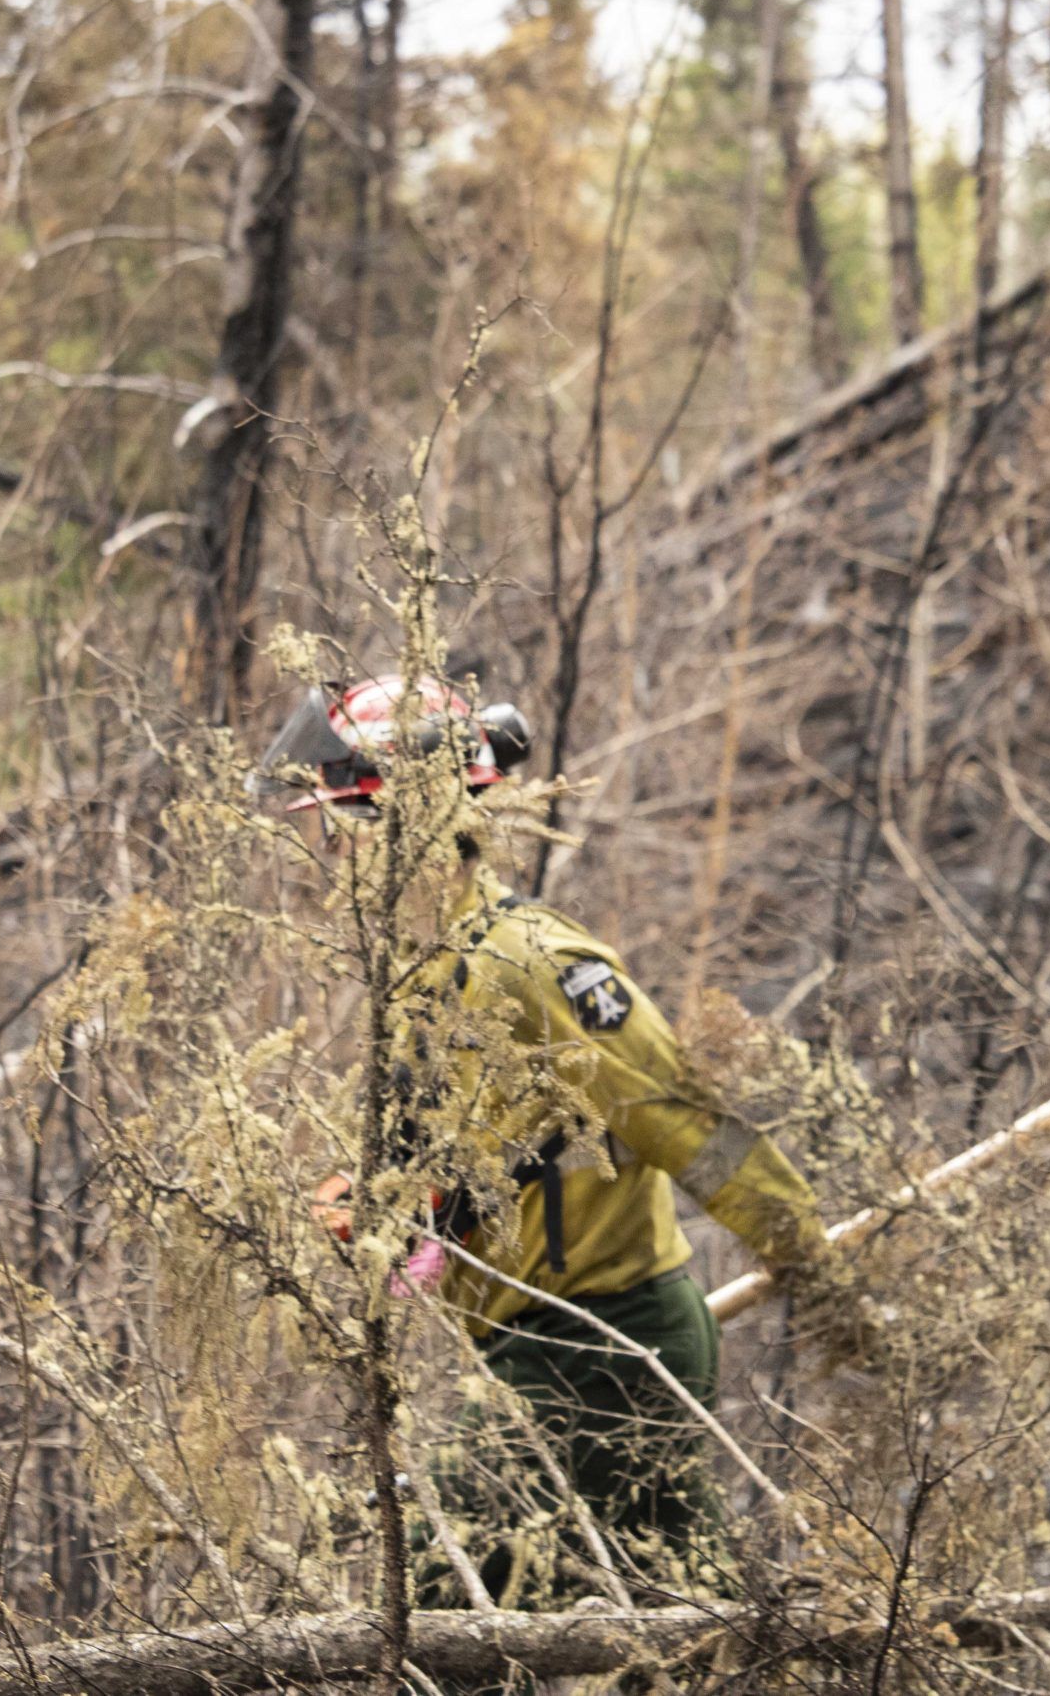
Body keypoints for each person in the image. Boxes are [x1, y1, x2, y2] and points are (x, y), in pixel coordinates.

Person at [256, 674, 829, 1604]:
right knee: (686, 1632)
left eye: (339, 827)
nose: (329, 856)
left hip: (600, 1345)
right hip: (544, 1342)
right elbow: (471, 1168)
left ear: (401, 826)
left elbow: (677, 1113)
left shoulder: (531, 961)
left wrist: (804, 1246)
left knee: (435, 1613)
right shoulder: (426, 979)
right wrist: (375, 1211)